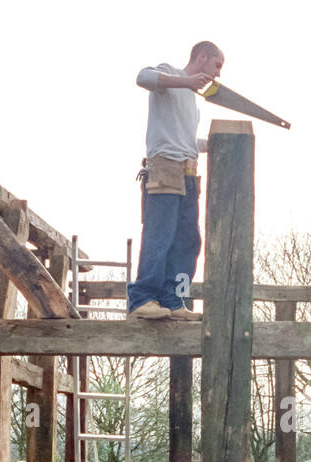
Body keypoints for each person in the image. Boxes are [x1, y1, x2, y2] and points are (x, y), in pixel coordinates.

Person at [127, 41, 224, 321]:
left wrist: (213, 143)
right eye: (216, 65)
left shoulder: (192, 102)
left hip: (189, 174)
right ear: (202, 57)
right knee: (160, 235)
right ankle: (143, 299)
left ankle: (173, 300)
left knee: (187, 241)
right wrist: (186, 81)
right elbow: (142, 77)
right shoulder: (170, 75)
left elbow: (184, 140)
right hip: (165, 169)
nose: (217, 74)